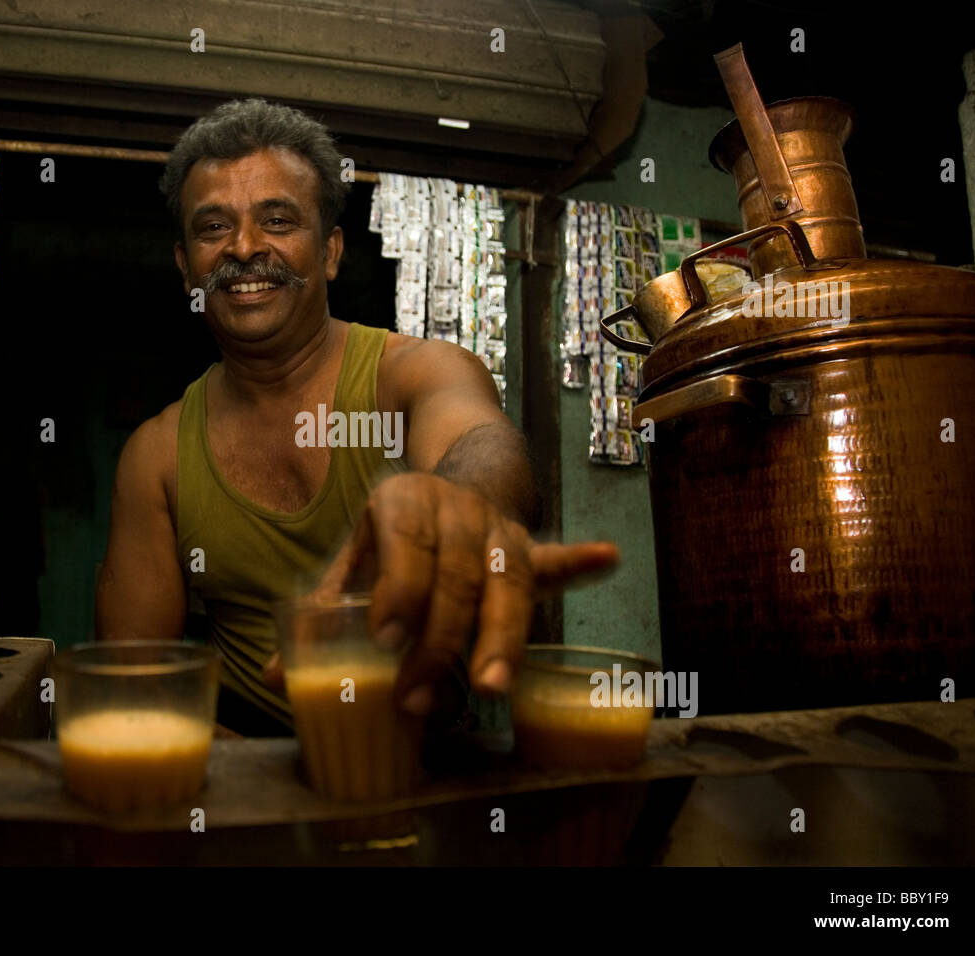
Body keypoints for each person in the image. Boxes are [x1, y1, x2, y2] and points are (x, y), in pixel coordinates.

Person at [95, 98, 618, 735]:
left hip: (429, 783)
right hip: (245, 786)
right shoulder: (157, 455)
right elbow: (135, 683)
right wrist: (268, 782)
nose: (245, 247)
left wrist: (461, 506)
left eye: (278, 220)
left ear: (332, 251)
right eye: (212, 228)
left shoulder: (415, 374)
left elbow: (481, 441)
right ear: (187, 270)